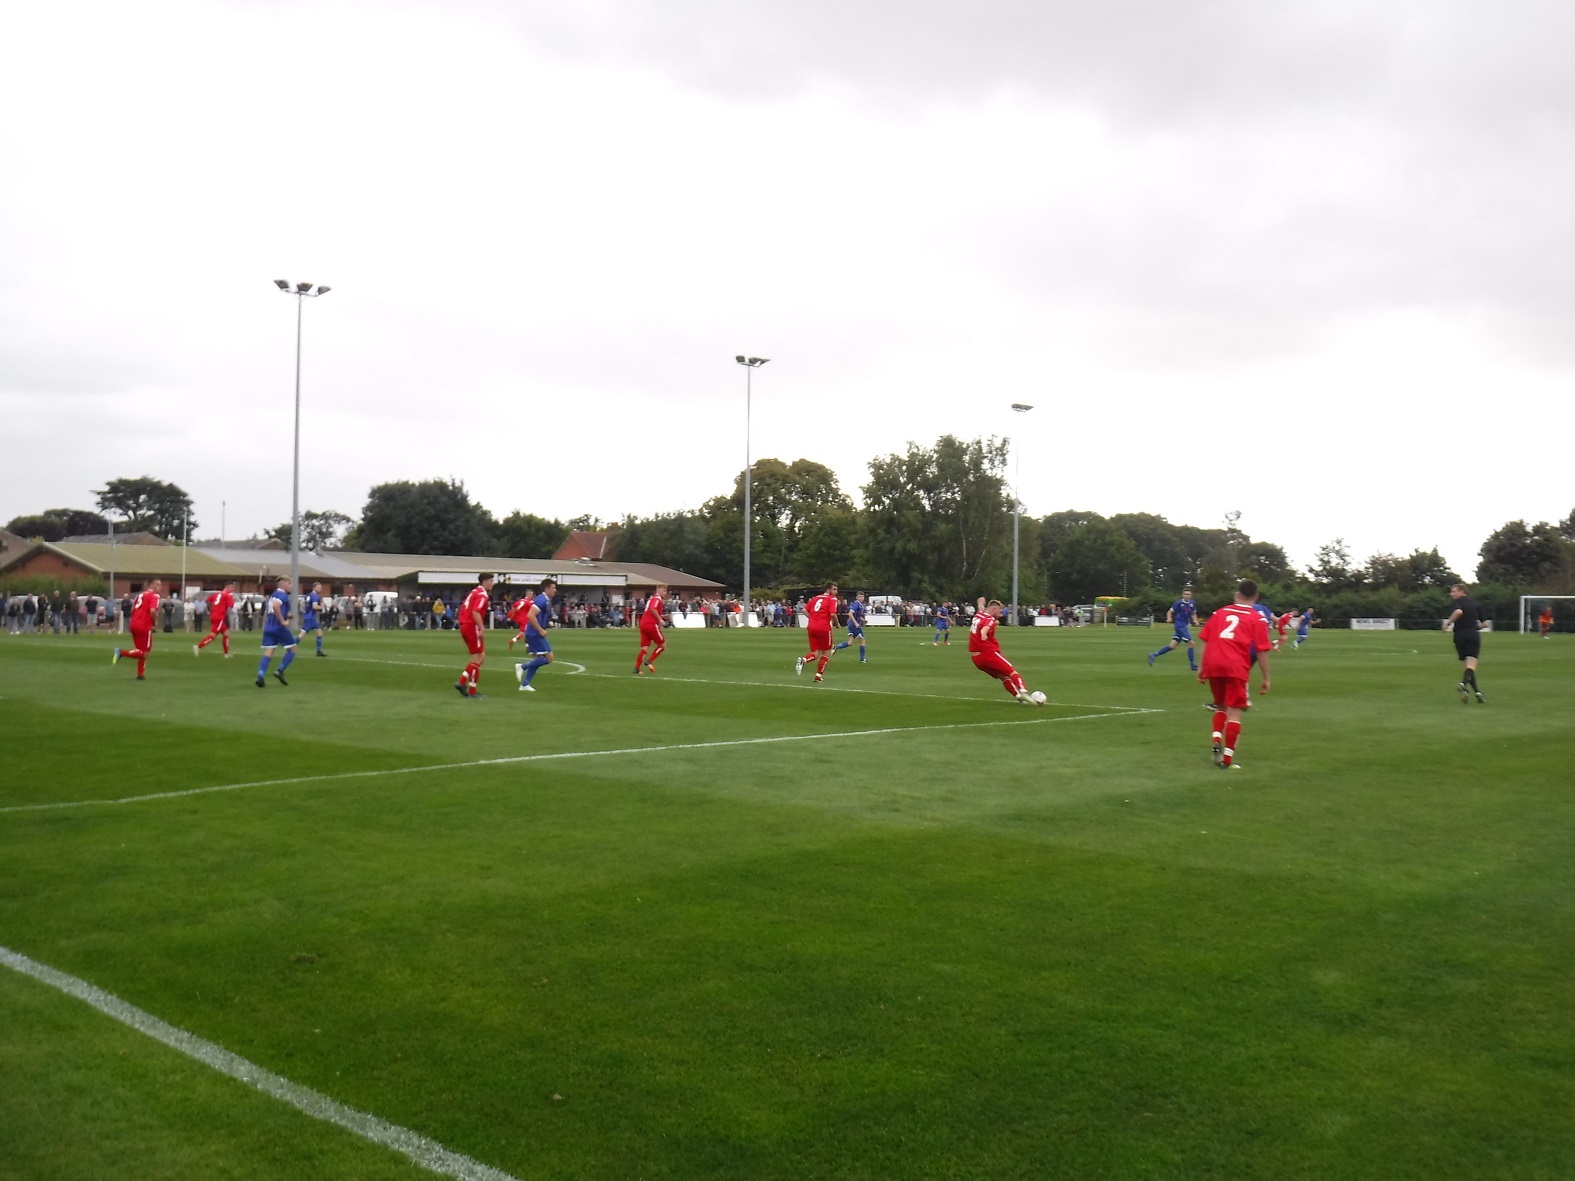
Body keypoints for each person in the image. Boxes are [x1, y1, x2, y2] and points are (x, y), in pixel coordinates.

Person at [1197, 579, 1272, 770]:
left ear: (1236, 595)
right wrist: (1266, 678)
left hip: (1213, 663)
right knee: (1235, 711)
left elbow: (1205, 639)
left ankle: (1216, 738)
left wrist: (1201, 667)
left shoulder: (1219, 613)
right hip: (1236, 666)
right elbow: (1262, 650)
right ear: (1256, 597)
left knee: (1220, 705)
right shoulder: (1258, 618)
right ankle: (1227, 760)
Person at [968, 598, 1041, 704]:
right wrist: (983, 635)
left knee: (1003, 677)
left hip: (976, 658)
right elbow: (985, 629)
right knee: (1012, 672)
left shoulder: (979, 615)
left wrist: (980, 602)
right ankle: (1023, 691)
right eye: (1000, 610)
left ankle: (1019, 697)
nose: (1001, 613)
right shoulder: (990, 619)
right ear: (994, 609)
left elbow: (980, 607)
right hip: (988, 653)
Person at [513, 577, 558, 692]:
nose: (555, 590)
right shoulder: (541, 600)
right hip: (534, 633)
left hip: (535, 633)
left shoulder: (546, 600)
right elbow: (530, 615)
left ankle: (525, 684)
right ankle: (522, 666)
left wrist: (547, 623)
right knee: (549, 658)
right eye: (553, 587)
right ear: (547, 588)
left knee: (538, 660)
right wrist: (540, 630)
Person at [112, 579, 163, 680]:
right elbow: (152, 611)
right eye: (158, 584)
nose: (160, 587)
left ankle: (140, 675)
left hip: (134, 623)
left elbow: (133, 609)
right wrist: (154, 622)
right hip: (144, 625)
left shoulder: (140, 595)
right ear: (151, 585)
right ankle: (121, 652)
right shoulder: (154, 596)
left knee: (139, 650)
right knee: (145, 653)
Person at [1445, 583, 1486, 704]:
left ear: (1462, 591)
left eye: (1454, 591)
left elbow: (1458, 612)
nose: (1452, 594)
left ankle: (1474, 691)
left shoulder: (1457, 602)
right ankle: (1465, 684)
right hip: (1473, 635)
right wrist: (1474, 628)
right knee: (1470, 667)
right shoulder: (1476, 604)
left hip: (1459, 635)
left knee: (1466, 666)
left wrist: (1448, 623)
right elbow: (1485, 624)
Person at [455, 573, 495, 698]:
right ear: (485, 581)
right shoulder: (482, 595)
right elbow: (475, 611)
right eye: (491, 581)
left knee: (481, 656)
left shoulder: (474, 591)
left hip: (465, 625)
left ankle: (462, 682)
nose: (492, 584)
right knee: (477, 658)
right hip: (472, 626)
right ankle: (471, 690)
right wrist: (482, 627)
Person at [256, 577, 298, 687]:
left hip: (268, 626)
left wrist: (287, 615)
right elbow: (276, 606)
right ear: (284, 584)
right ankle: (280, 670)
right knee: (293, 649)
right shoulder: (282, 595)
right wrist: (282, 621)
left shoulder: (273, 594)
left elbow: (273, 608)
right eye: (290, 583)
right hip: (278, 627)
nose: (291, 586)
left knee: (269, 651)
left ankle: (260, 675)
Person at [795, 582, 840, 682]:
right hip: (823, 628)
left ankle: (803, 660)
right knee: (827, 652)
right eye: (834, 589)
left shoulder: (815, 598)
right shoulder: (832, 599)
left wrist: (812, 619)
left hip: (811, 627)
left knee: (815, 653)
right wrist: (837, 624)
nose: (836, 592)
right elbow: (833, 614)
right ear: (828, 589)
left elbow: (804, 610)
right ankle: (818, 676)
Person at [1148, 588, 1199, 671]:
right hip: (1179, 626)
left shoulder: (1192, 603)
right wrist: (1169, 618)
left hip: (1185, 626)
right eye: (1185, 594)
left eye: (1188, 594)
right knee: (1192, 644)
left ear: (1191, 595)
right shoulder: (1179, 603)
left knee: (1172, 646)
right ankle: (1193, 665)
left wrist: (1195, 620)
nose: (1186, 596)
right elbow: (1170, 611)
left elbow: (1193, 613)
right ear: (1182, 595)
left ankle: (1153, 655)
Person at [196, 581, 237, 657]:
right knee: (213, 635)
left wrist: (213, 609)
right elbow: (231, 606)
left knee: (226, 633)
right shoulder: (228, 595)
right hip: (219, 617)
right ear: (228, 587)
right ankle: (198, 647)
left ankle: (226, 654)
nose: (233, 589)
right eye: (233, 587)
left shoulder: (217, 594)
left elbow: (208, 601)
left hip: (214, 616)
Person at [634, 583, 668, 674]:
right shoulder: (657, 598)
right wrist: (660, 619)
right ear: (658, 590)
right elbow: (653, 609)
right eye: (664, 590)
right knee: (662, 645)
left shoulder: (651, 599)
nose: (665, 593)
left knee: (644, 648)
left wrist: (662, 616)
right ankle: (649, 661)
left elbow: (650, 611)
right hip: (651, 625)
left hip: (643, 624)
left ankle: (637, 668)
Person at [833, 590, 869, 663]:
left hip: (851, 625)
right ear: (856, 597)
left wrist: (863, 620)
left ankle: (836, 647)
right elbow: (850, 613)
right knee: (862, 641)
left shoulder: (859, 604)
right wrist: (856, 623)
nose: (861, 598)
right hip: (855, 625)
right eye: (860, 596)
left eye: (862, 596)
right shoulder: (857, 604)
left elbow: (857, 615)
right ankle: (862, 659)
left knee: (850, 642)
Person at [300, 581, 328, 657]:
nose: (320, 589)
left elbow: (302, 602)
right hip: (310, 618)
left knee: (319, 633)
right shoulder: (315, 596)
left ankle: (319, 651)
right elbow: (315, 607)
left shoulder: (308, 595)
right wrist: (321, 607)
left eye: (320, 588)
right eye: (318, 587)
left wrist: (307, 608)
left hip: (310, 617)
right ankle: (290, 644)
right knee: (302, 635)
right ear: (314, 587)